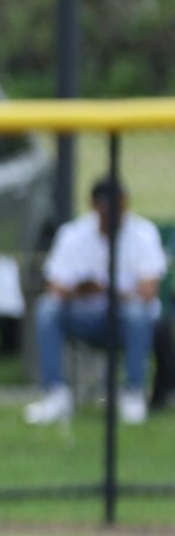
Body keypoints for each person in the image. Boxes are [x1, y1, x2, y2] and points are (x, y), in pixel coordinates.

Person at [24, 175, 169, 426]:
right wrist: (83, 290)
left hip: (128, 319)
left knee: (137, 313)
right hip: (85, 316)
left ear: (126, 204)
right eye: (105, 211)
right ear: (93, 206)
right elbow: (55, 287)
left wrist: (108, 291)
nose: (112, 217)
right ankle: (55, 394)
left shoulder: (143, 234)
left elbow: (148, 292)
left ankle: (133, 394)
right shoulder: (73, 234)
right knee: (47, 309)